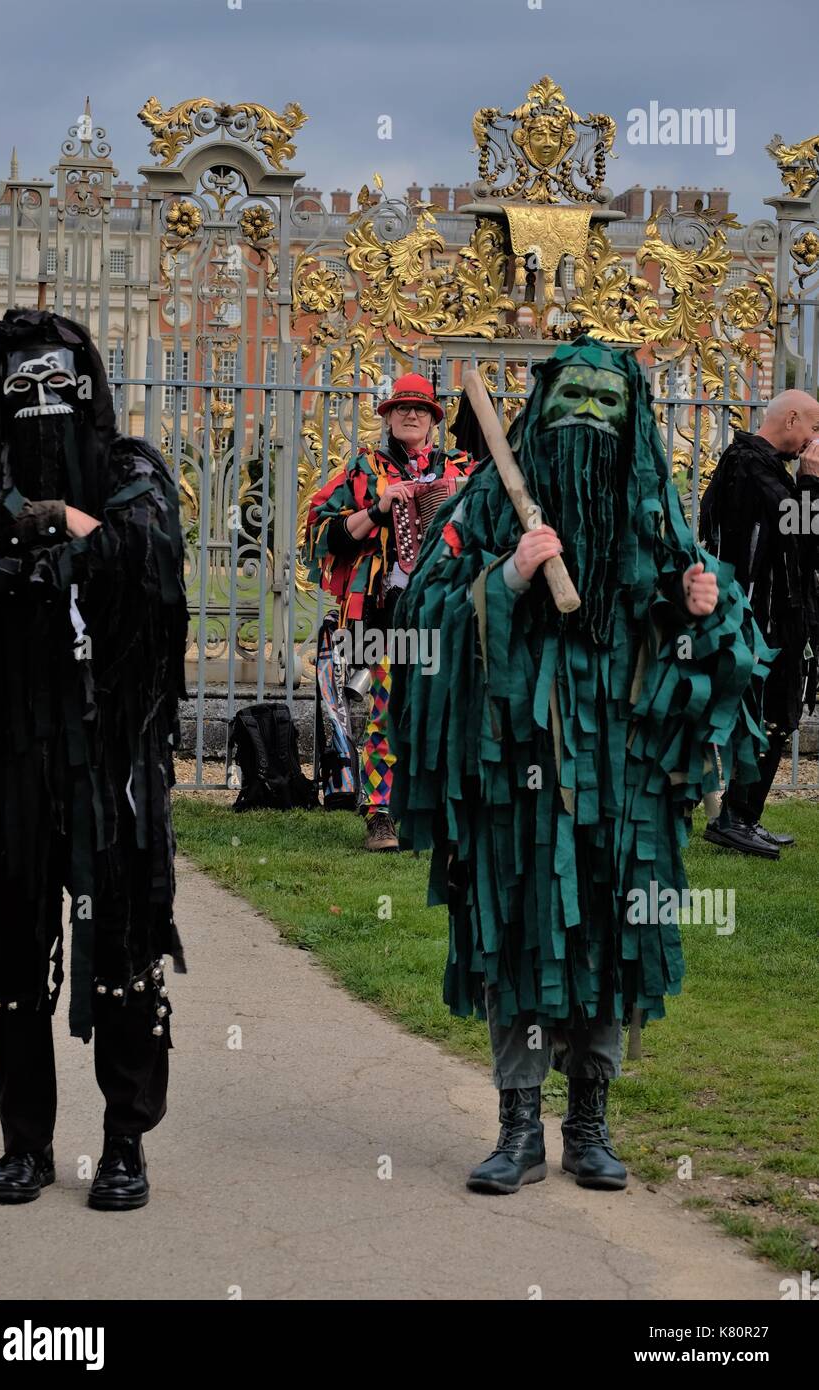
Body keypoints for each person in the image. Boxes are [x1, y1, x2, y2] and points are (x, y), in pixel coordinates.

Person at [389, 337, 771, 1194]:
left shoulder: (653, 507)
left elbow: (719, 646)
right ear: (544, 410)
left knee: (612, 934)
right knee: (520, 930)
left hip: (624, 765)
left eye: (608, 403)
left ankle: (591, 1125)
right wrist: (508, 577)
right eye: (574, 402)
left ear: (630, 415)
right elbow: (420, 615)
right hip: (515, 770)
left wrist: (701, 605)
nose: (590, 418)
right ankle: (518, 1127)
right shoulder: (489, 500)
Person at [0, 309, 188, 1209]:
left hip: (109, 766)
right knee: (9, 951)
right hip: (9, 765)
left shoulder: (130, 470)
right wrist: (10, 547)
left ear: (87, 386)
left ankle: (125, 1141)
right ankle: (25, 1144)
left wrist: (69, 533)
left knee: (124, 950)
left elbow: (149, 551)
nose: (43, 404)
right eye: (22, 390)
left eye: (59, 385)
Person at [306, 372, 475, 851]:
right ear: (387, 416)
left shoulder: (459, 467)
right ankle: (380, 813)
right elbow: (323, 535)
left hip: (447, 612)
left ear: (434, 421)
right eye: (402, 408)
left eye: (421, 409)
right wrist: (379, 509)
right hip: (385, 612)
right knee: (385, 709)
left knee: (447, 710)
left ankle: (441, 812)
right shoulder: (364, 469)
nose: (411, 415)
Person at [699, 391, 819, 858]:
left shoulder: (765, 468)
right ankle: (734, 820)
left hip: (775, 614)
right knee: (771, 714)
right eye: (811, 429)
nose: (812, 440)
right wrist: (810, 484)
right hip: (760, 618)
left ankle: (742, 816)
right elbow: (799, 542)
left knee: (779, 714)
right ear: (791, 418)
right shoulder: (749, 467)